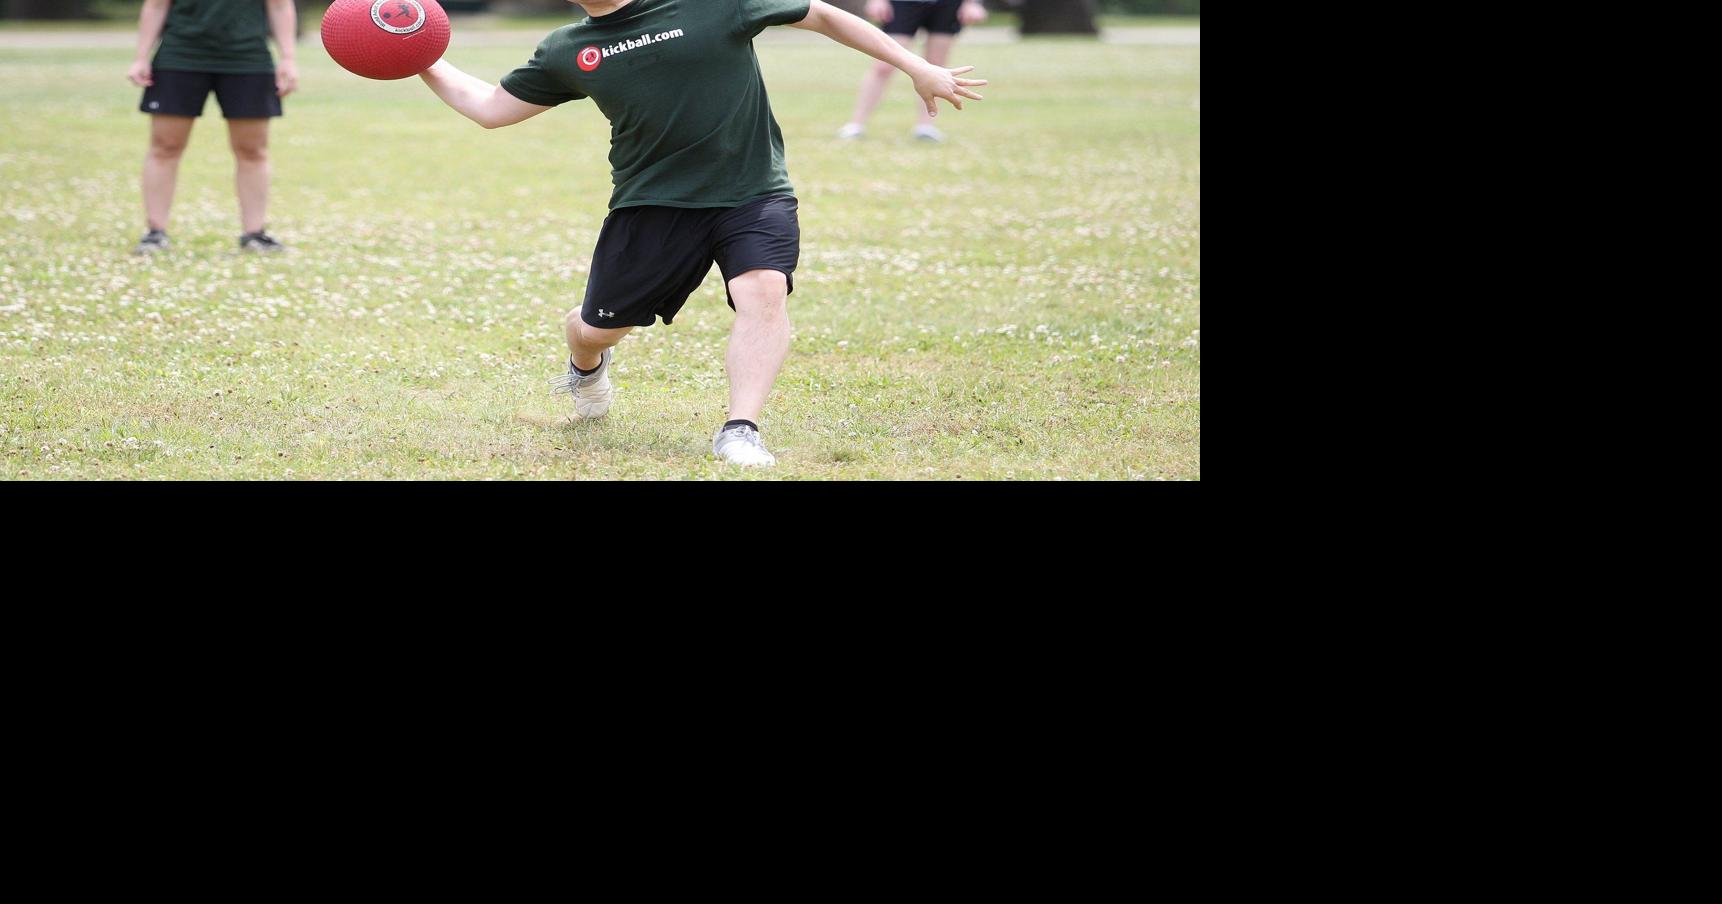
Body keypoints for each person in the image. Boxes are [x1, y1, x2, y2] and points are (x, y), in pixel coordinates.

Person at [415, 0, 985, 466]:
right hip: (653, 204)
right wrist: (421, 58)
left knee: (762, 288)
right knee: (596, 329)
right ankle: (584, 369)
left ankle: (740, 429)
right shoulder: (568, 49)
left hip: (753, 189)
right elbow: (491, 108)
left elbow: (823, 14)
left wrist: (916, 65)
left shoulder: (714, 5)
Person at [127, 0, 299, 255]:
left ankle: (255, 234)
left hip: (247, 58)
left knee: (252, 150)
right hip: (181, 56)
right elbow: (155, 6)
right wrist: (141, 57)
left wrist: (288, 58)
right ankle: (155, 233)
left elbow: (280, 7)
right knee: (165, 146)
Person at [838, 0, 987, 143]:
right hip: (902, 3)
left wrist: (971, 3)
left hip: (945, 4)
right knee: (884, 66)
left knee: (937, 65)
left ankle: (926, 127)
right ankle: (856, 124)